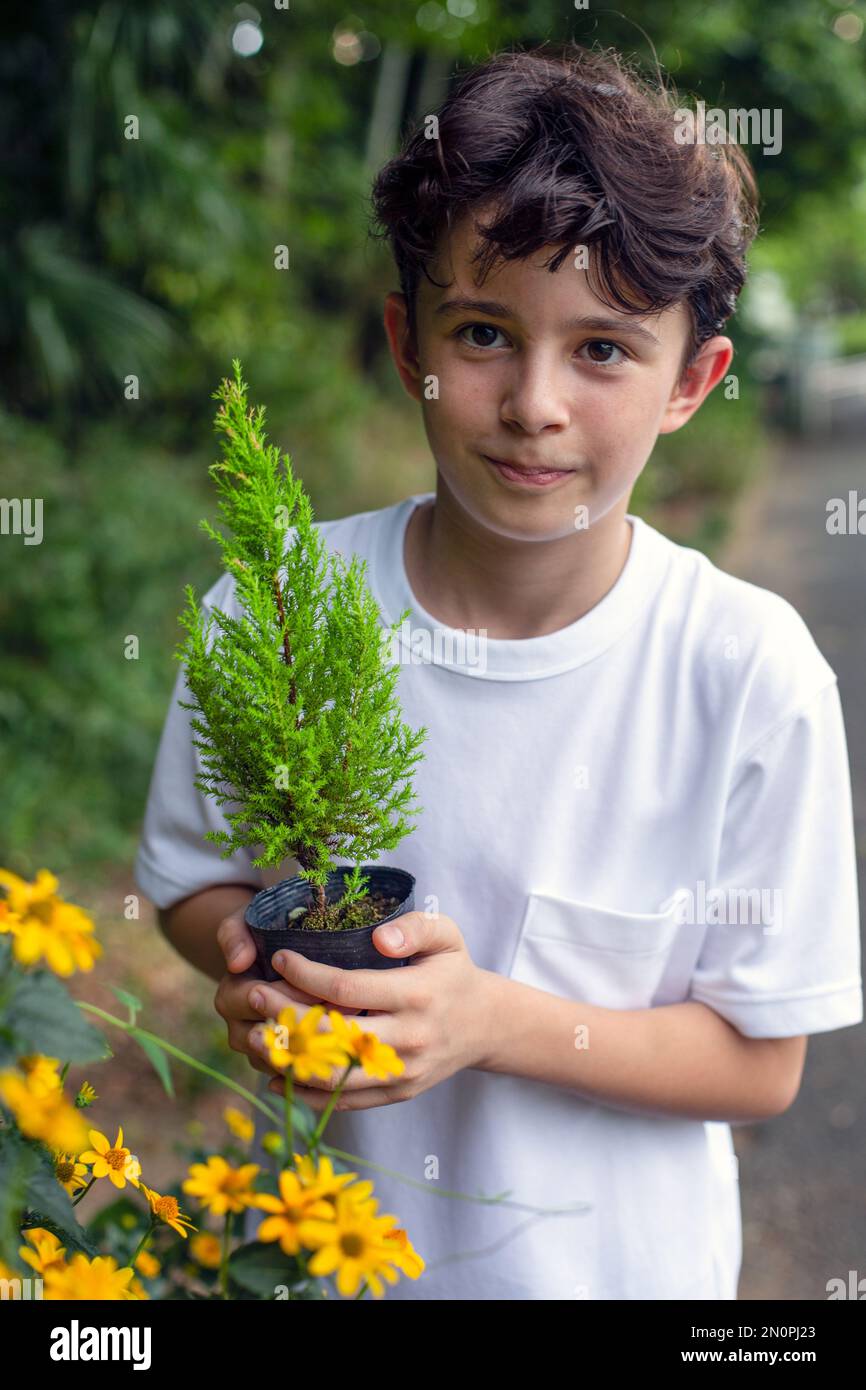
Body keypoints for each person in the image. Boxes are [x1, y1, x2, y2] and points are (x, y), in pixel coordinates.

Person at [134, 42, 863, 1300]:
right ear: (403, 337)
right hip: (321, 1267)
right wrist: (256, 977)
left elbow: (761, 1061)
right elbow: (195, 889)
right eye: (482, 332)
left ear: (692, 381)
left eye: (601, 350)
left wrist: (491, 1022)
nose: (533, 402)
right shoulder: (281, 608)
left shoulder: (746, 673)